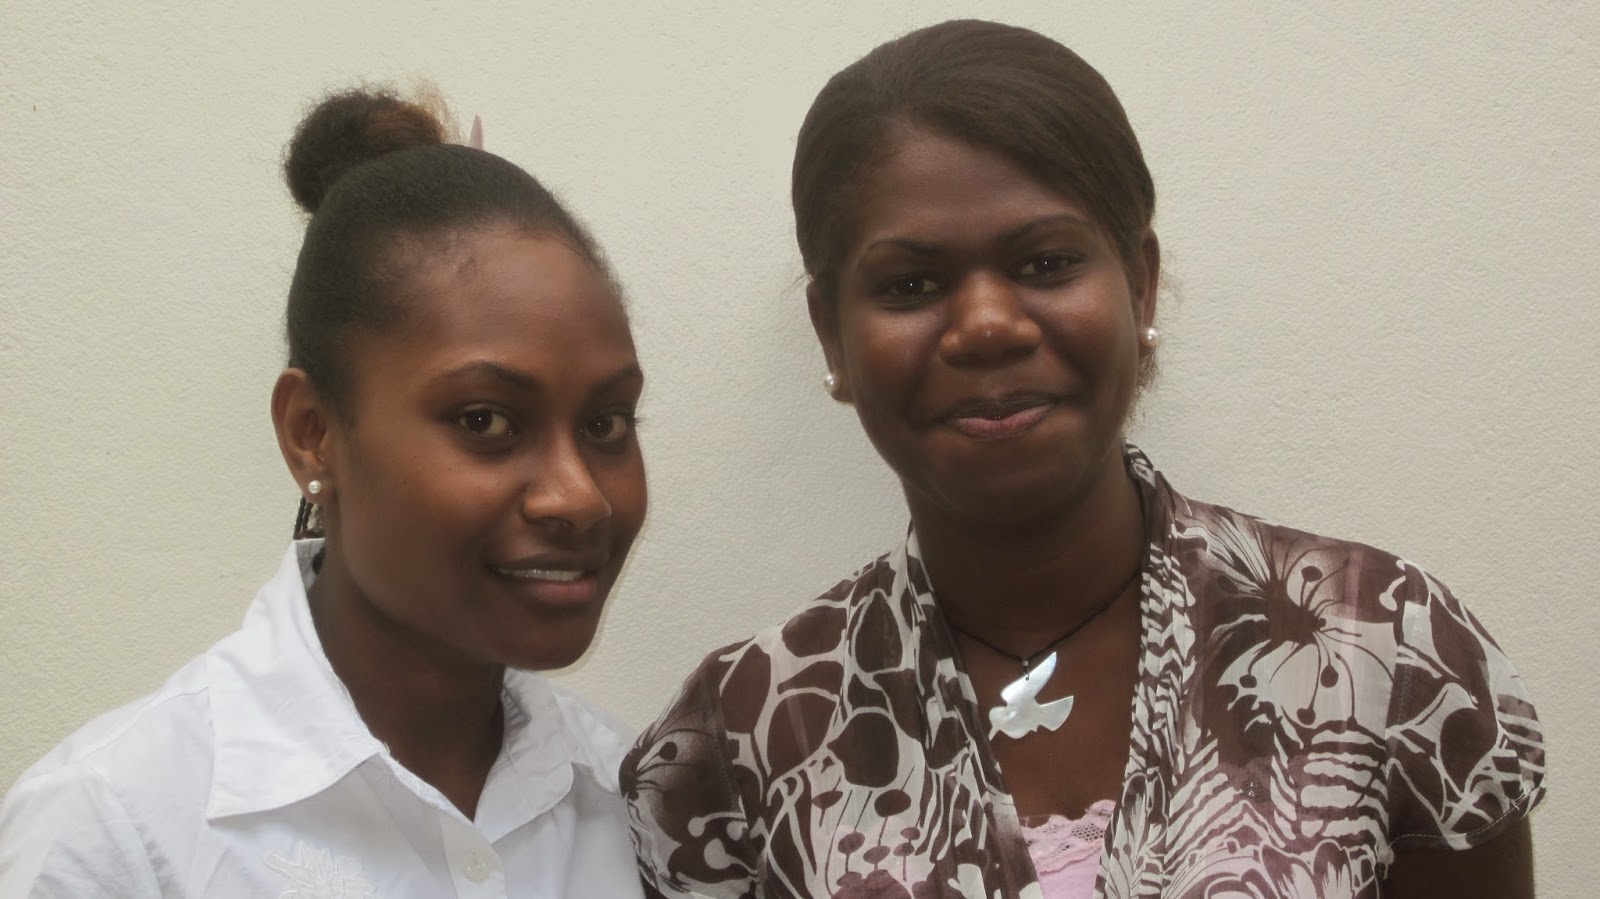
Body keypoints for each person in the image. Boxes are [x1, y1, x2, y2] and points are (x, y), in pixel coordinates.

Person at [621, 20, 1545, 899]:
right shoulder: (740, 735)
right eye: (910, 284)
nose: (987, 324)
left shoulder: (1385, 646)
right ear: (832, 333)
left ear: (1138, 281)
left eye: (1047, 262)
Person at [0, 88, 648, 897]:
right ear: (313, 431)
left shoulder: (633, 806)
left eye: (607, 422)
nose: (579, 496)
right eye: (485, 420)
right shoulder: (118, 830)